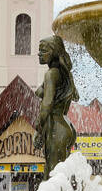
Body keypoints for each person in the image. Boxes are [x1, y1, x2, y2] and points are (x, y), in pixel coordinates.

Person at [34, 36, 79, 176]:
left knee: (53, 178)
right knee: (57, 177)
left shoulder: (51, 74)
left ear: (53, 52)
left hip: (56, 129)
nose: (39, 54)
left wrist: (38, 128)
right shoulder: (64, 75)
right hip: (65, 125)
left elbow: (47, 104)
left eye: (43, 50)